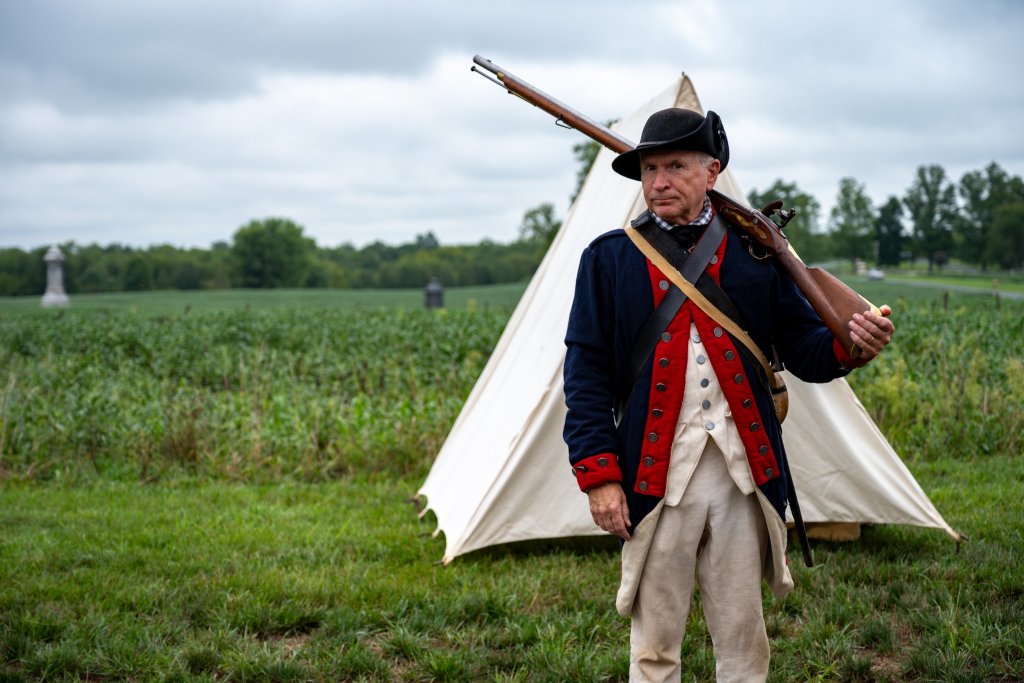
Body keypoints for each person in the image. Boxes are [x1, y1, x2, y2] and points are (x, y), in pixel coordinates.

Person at [562, 108, 894, 682]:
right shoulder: (608, 259)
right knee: (655, 643)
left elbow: (807, 350)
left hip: (744, 475)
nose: (659, 181)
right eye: (650, 169)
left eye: (675, 166)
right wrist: (600, 476)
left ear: (711, 170)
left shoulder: (756, 253)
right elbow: (586, 374)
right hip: (652, 475)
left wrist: (852, 345)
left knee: (743, 639)